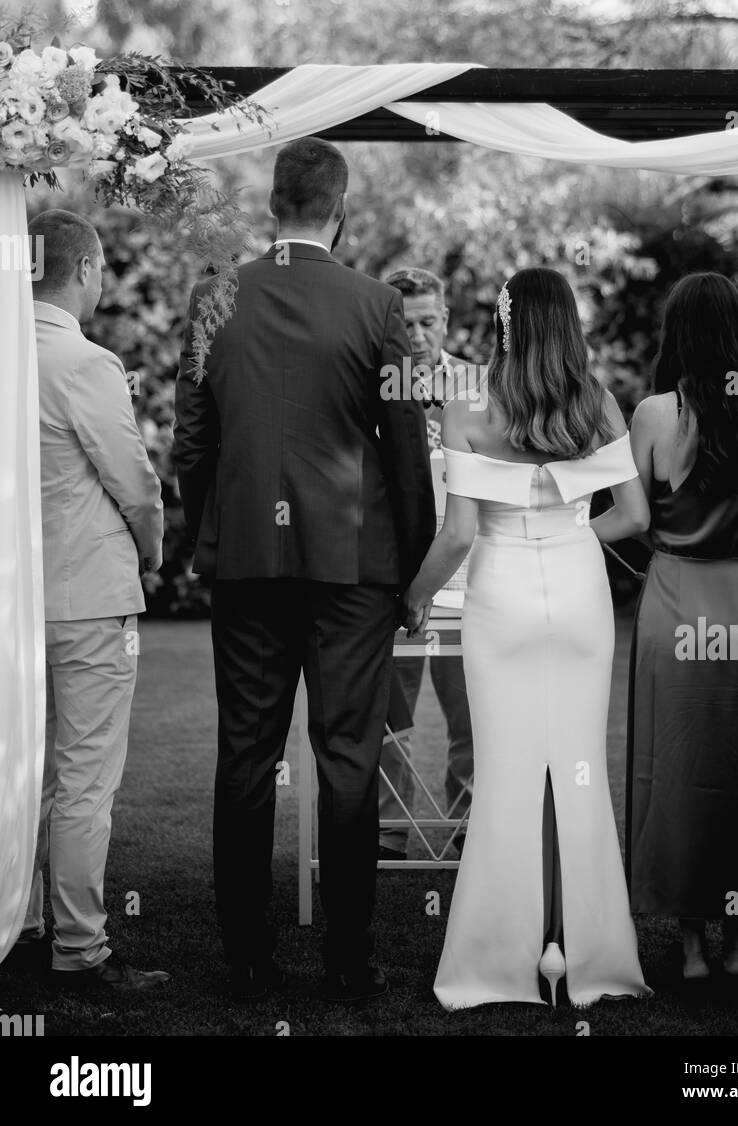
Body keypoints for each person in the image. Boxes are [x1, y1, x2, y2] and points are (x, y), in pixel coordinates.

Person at [173, 137, 435, 1005]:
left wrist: (217, 528)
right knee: (349, 758)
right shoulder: (375, 305)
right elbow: (405, 450)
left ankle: (246, 959)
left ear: (273, 205)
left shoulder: (215, 297)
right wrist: (414, 569)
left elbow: (194, 444)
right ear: (341, 208)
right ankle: (350, 960)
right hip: (353, 568)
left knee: (245, 758)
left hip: (248, 562)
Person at [403, 268, 652, 1008]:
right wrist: (568, 537)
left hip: (502, 596)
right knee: (577, 772)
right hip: (579, 597)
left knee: (508, 774)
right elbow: (635, 517)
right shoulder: (597, 400)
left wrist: (412, 596)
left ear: (508, 321)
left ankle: (497, 963)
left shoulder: (468, 401)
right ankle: (586, 959)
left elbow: (459, 534)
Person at [626, 272, 738, 980]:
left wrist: (676, 552)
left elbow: (635, 520)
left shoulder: (653, 415)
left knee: (675, 771)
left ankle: (692, 946)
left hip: (674, 603)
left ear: (679, 334)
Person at [13, 210, 167, 992]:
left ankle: (25, 921)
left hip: (12, 602)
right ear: (82, 268)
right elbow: (133, 480)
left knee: (22, 772)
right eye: (103, 270)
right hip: (87, 599)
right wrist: (154, 547)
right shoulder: (86, 361)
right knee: (84, 778)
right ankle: (79, 948)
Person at [377, 267, 474, 862]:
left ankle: (467, 825)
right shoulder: (374, 382)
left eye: (428, 321)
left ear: (446, 319)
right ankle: (390, 827)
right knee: (390, 711)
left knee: (471, 711)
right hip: (397, 572)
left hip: (468, 568)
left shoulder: (478, 386)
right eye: (405, 323)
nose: (417, 334)